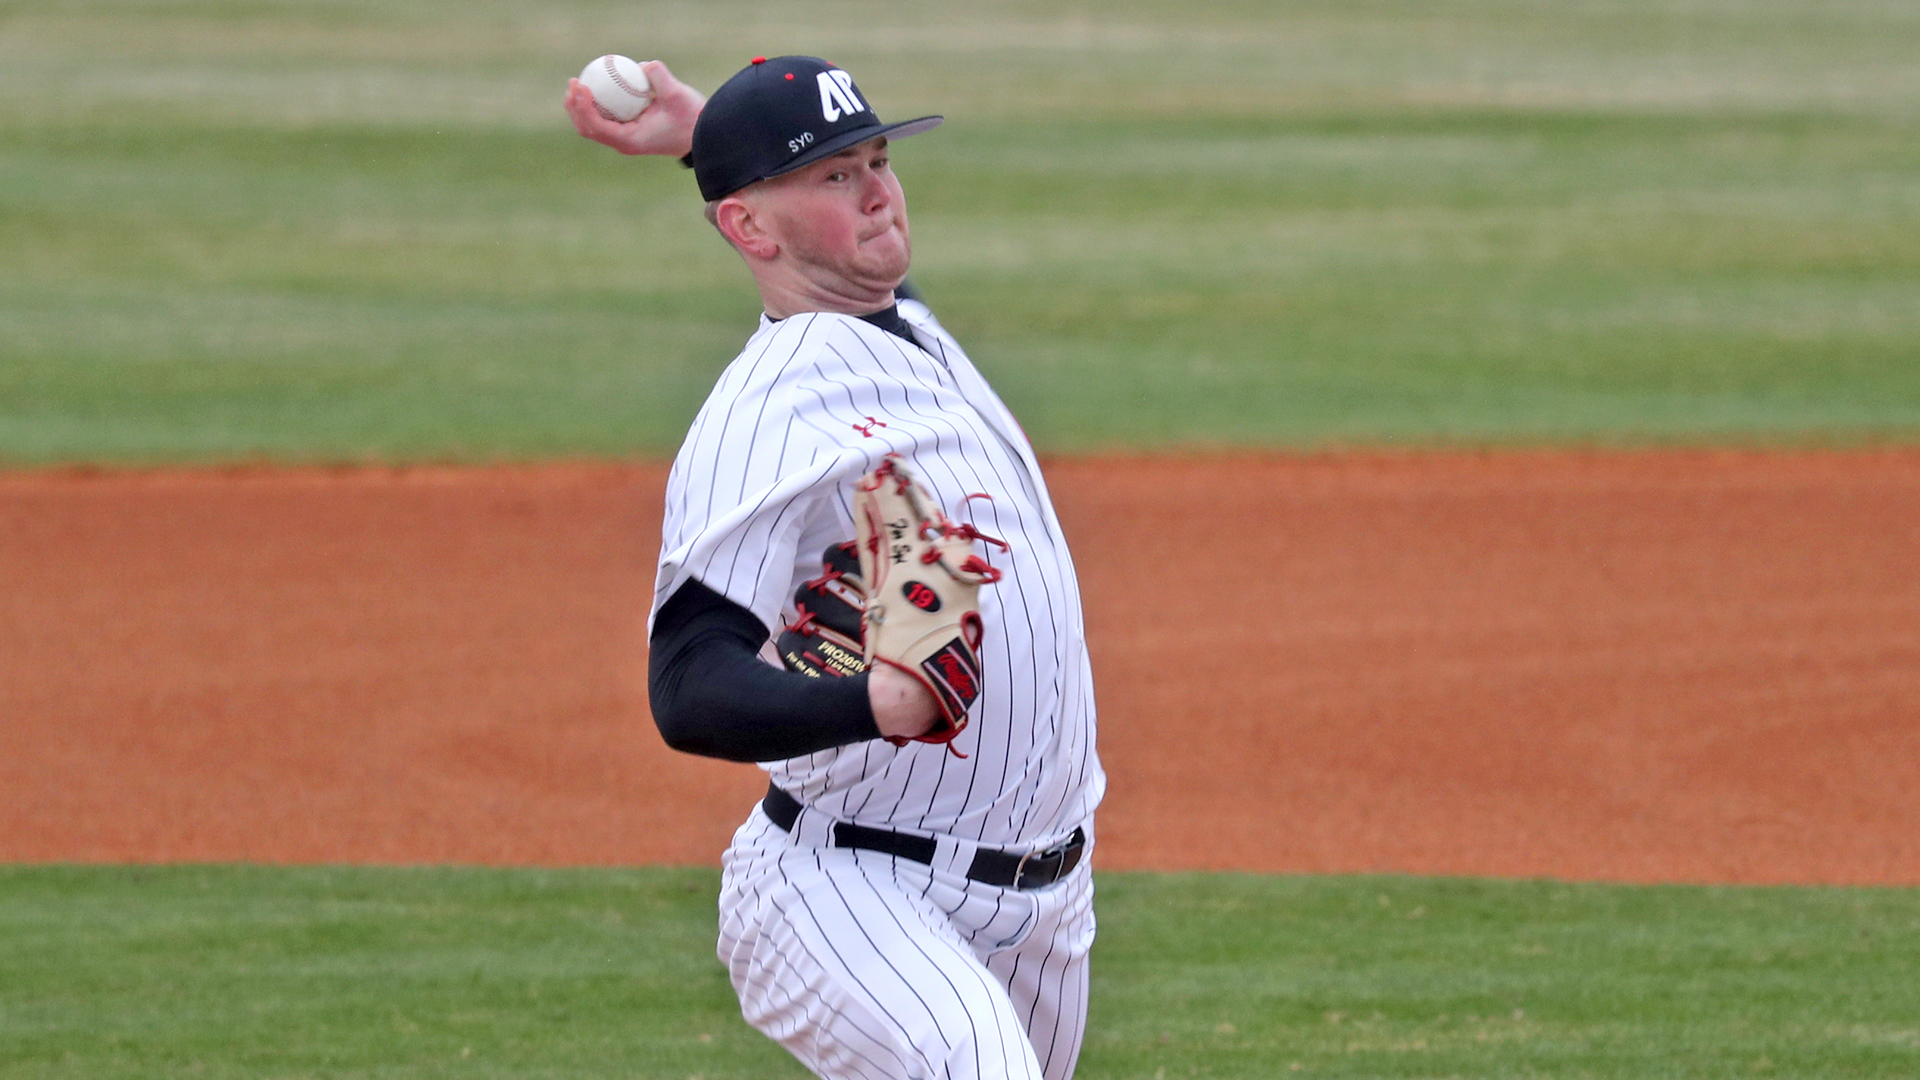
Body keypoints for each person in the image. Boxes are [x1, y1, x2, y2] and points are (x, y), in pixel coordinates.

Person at [567, 55, 1104, 1080]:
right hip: (849, 884)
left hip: (1043, 906)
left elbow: (858, 269)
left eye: (877, 158)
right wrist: (878, 703)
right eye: (832, 176)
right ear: (750, 229)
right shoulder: (768, 409)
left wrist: (702, 138)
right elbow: (687, 688)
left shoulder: (906, 330)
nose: (877, 193)